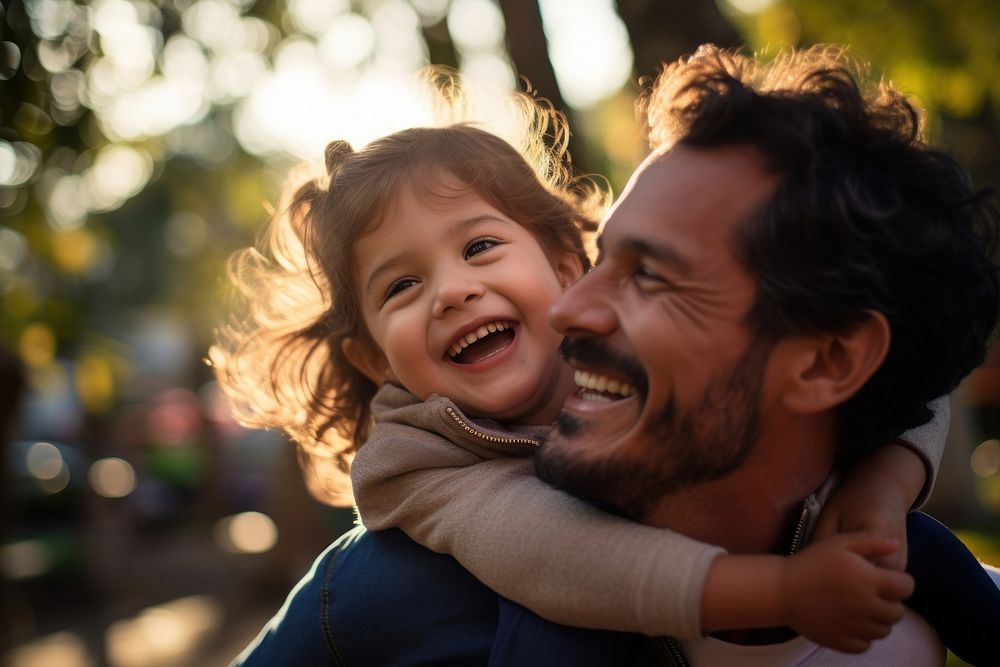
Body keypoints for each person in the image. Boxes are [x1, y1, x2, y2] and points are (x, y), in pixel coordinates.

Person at [218, 51, 996, 666]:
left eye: (481, 246)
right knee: (554, 628)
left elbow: (915, 381)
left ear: (563, 262)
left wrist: (883, 488)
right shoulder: (415, 484)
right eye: (402, 287)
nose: (453, 292)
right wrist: (782, 590)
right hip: (576, 598)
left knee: (930, 552)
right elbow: (562, 556)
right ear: (373, 358)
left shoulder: (597, 356)